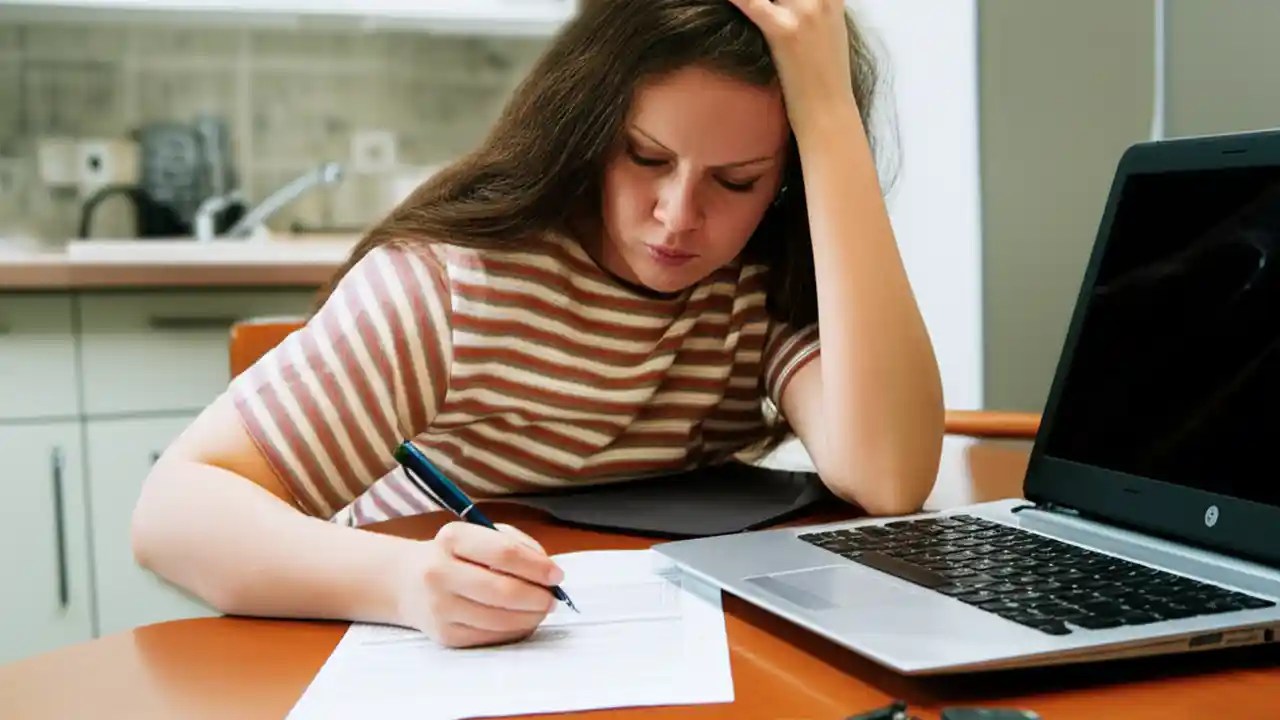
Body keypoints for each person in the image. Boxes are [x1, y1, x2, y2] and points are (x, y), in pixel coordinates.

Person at [131, 0, 944, 650]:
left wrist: (830, 114)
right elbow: (173, 514)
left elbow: (889, 476)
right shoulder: (452, 288)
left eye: (736, 181)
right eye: (646, 157)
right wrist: (404, 581)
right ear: (587, 132)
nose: (677, 218)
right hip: (432, 654)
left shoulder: (752, 288)